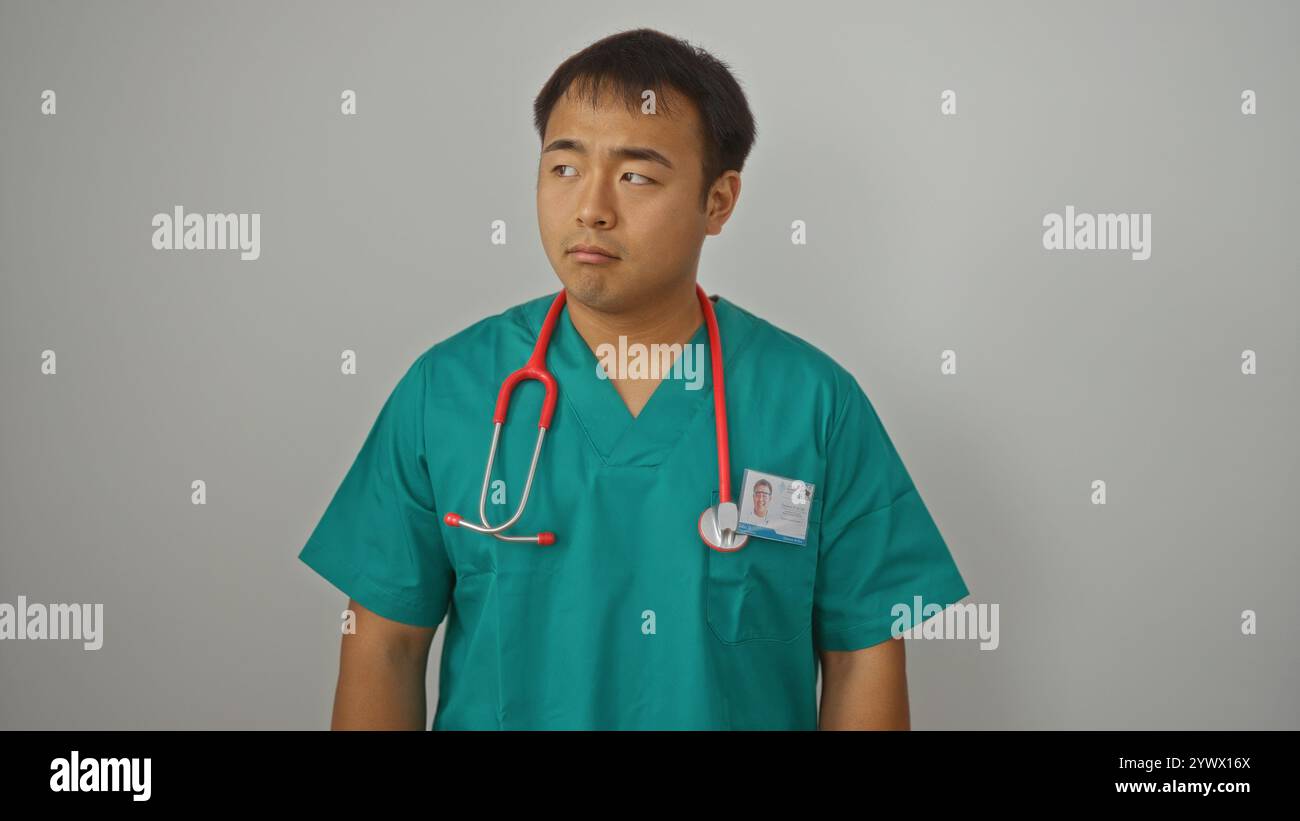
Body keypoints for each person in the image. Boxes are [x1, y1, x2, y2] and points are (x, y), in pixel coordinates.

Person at [298, 27, 969, 731]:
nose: (591, 207)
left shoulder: (813, 404)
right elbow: (385, 647)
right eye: (563, 168)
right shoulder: (447, 391)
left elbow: (864, 654)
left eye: (636, 176)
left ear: (718, 201)